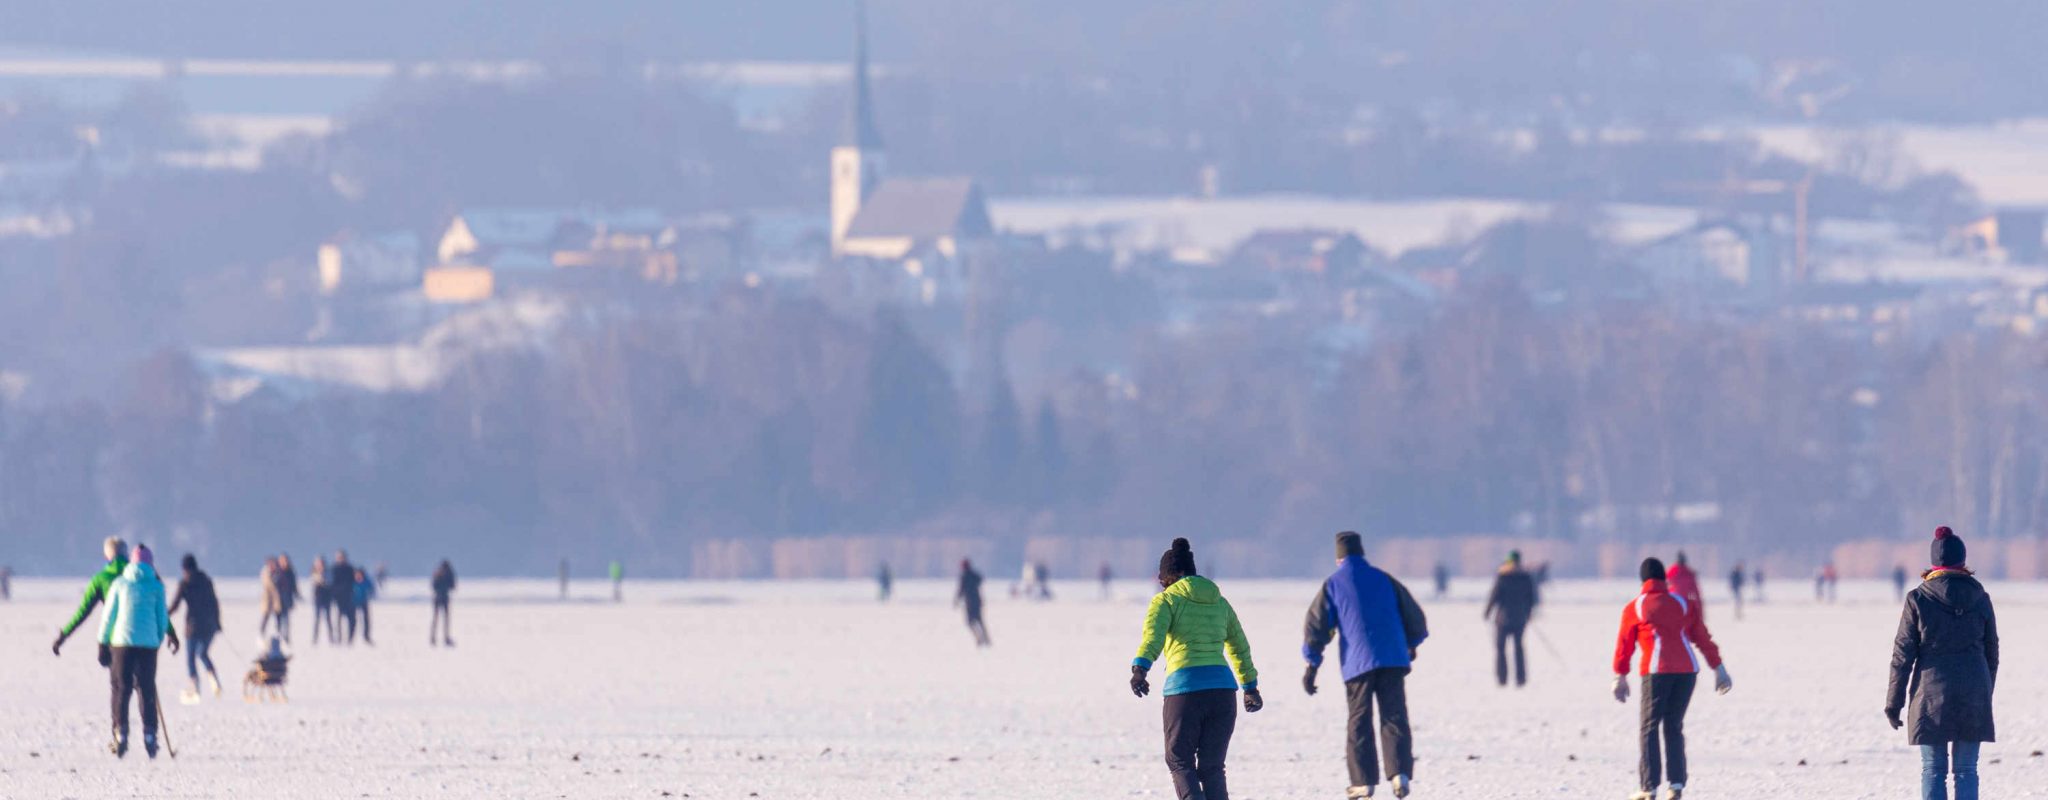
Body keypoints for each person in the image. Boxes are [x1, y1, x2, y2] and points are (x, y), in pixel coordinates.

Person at [1132, 537, 1261, 800]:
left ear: (1174, 574)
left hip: (1185, 690)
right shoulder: (1220, 602)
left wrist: (1140, 668)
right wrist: (1250, 687)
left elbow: (1152, 637)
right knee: (1213, 767)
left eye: (1163, 578)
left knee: (1179, 760)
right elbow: (1239, 646)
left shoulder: (1166, 601)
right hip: (1223, 693)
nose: (1161, 583)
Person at [1304, 531, 1429, 799]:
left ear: (1339, 558)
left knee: (1359, 720)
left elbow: (1317, 627)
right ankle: (1400, 775)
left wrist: (1312, 665)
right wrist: (1411, 644)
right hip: (1393, 659)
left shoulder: (1333, 585)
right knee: (1394, 715)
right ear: (1362, 553)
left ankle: (1363, 782)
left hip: (1358, 664)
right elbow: (1415, 617)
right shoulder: (1385, 579)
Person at [1887, 527, 1998, 800]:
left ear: (1934, 563)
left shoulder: (1918, 599)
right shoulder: (1981, 598)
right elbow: (1991, 653)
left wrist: (1894, 702)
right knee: (1966, 769)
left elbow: (1903, 655)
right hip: (1973, 692)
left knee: (1933, 769)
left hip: (1930, 696)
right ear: (1962, 561)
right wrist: (1984, 690)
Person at [1613, 557, 1732, 800]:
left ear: (1643, 580)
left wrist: (1620, 675)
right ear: (1664, 579)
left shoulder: (1636, 606)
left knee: (1649, 727)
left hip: (1657, 671)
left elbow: (1624, 644)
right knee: (1673, 726)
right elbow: (1701, 636)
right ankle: (1676, 785)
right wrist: (1718, 668)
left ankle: (1648, 787)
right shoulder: (1682, 602)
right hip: (1687, 672)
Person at [98, 544, 179, 758]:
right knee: (146, 688)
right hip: (147, 646)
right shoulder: (156, 586)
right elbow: (162, 618)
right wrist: (158, 638)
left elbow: (109, 616)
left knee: (122, 689)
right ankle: (150, 735)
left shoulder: (119, 584)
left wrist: (102, 642)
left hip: (121, 643)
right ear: (151, 564)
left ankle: (121, 732)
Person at [53, 536, 128, 657]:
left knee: (120, 676)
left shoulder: (101, 579)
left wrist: (63, 635)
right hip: (147, 642)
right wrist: (170, 632)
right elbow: (159, 610)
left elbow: (83, 612)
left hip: (117, 640)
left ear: (107, 556)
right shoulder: (145, 577)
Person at [167, 554, 223, 702]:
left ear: (184, 568)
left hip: (192, 626)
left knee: (191, 658)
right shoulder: (206, 581)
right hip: (209, 625)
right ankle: (214, 680)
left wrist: (163, 615)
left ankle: (195, 687)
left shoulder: (184, 583)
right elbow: (214, 602)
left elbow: (175, 605)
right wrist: (218, 622)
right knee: (203, 653)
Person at [1482, 550, 1539, 688]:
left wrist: (1487, 612)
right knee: (1518, 648)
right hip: (1520, 618)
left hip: (1502, 619)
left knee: (1501, 649)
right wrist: (1529, 613)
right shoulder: (1525, 577)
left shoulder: (1503, 577)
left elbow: (1494, 596)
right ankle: (1521, 679)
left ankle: (1502, 679)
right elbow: (1532, 599)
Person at [954, 558, 991, 647]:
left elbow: (960, 590)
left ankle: (979, 638)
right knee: (980, 621)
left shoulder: (964, 577)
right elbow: (981, 579)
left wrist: (956, 600)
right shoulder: (974, 575)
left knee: (970, 622)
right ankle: (986, 639)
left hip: (969, 603)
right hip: (977, 602)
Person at [1665, 552, 1704, 620]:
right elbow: (1696, 594)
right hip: (1685, 605)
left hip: (1672, 603)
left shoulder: (1671, 571)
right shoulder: (1689, 573)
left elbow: (1663, 585)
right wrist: (1700, 613)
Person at [331, 549, 357, 644]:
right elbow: (332, 584)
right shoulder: (334, 569)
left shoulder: (350, 569)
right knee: (338, 620)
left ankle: (350, 638)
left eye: (341, 557)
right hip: (338, 598)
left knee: (352, 620)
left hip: (349, 597)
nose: (340, 559)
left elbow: (354, 582)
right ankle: (339, 638)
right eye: (338, 557)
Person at [430, 560, 457, 647]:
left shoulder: (440, 573)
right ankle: (439, 638)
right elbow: (452, 586)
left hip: (440, 598)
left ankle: (436, 638)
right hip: (442, 598)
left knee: (439, 619)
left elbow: (434, 586)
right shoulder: (446, 574)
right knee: (442, 619)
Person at [310, 556, 336, 646]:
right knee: (317, 619)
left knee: (328, 619)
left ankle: (331, 638)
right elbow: (315, 582)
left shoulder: (328, 572)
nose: (319, 565)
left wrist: (323, 580)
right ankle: (315, 638)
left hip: (327, 598)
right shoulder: (314, 572)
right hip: (318, 598)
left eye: (321, 563)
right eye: (318, 564)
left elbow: (329, 582)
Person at [352, 566, 377, 646]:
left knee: (366, 620)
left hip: (364, 602)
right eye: (357, 574)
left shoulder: (366, 581)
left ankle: (366, 636)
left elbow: (372, 589)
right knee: (353, 620)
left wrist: (369, 595)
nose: (358, 576)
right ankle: (351, 636)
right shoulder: (353, 581)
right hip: (354, 602)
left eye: (359, 574)